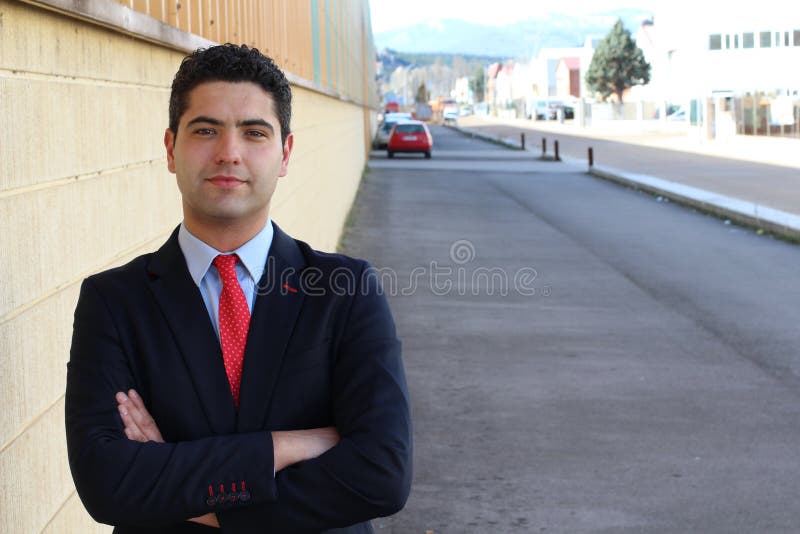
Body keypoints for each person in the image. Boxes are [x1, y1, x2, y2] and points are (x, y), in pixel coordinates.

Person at [66, 44, 412, 533]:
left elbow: (383, 474)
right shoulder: (114, 302)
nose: (229, 152)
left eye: (254, 132)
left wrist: (175, 480)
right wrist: (286, 446)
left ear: (285, 153)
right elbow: (106, 482)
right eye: (205, 130)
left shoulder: (345, 288)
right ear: (170, 149)